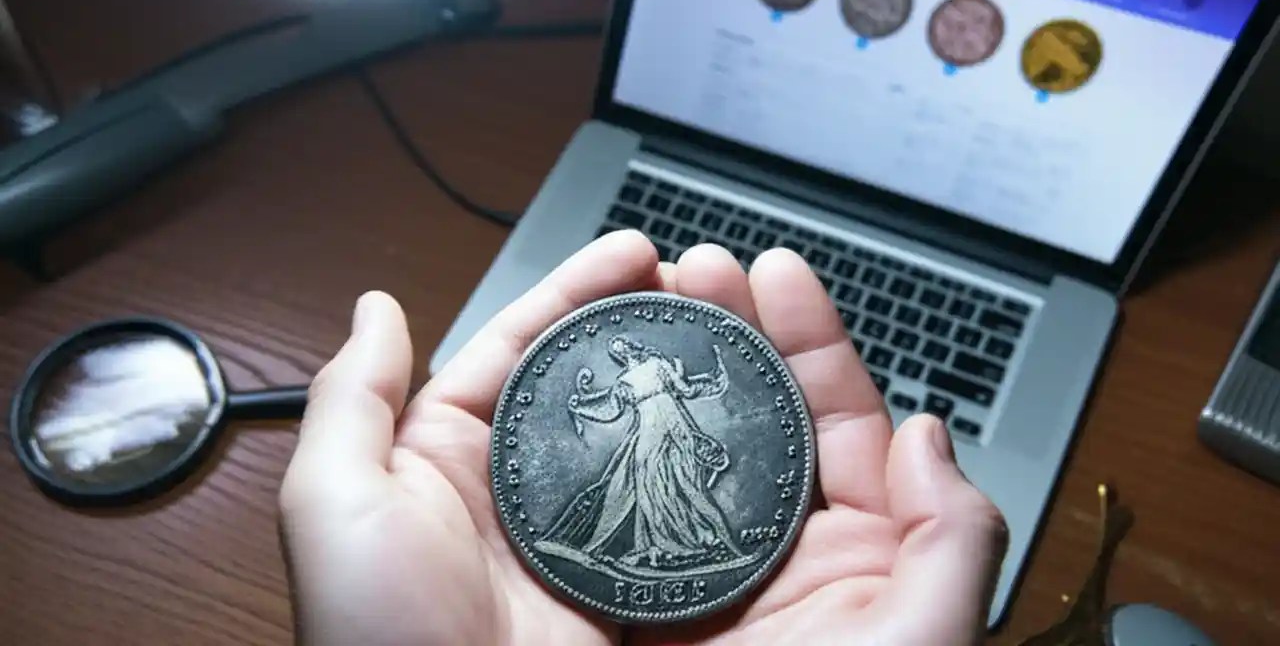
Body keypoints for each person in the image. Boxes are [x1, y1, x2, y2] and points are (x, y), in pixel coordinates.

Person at [278, 230, 1009, 646]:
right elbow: (602, 418)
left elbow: (687, 392)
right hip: (648, 433)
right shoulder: (631, 378)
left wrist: (718, 374)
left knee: (676, 487)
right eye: (622, 356)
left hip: (673, 428)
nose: (625, 355)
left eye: (626, 356)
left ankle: (695, 547)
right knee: (638, 487)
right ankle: (662, 550)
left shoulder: (654, 365)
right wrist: (588, 404)